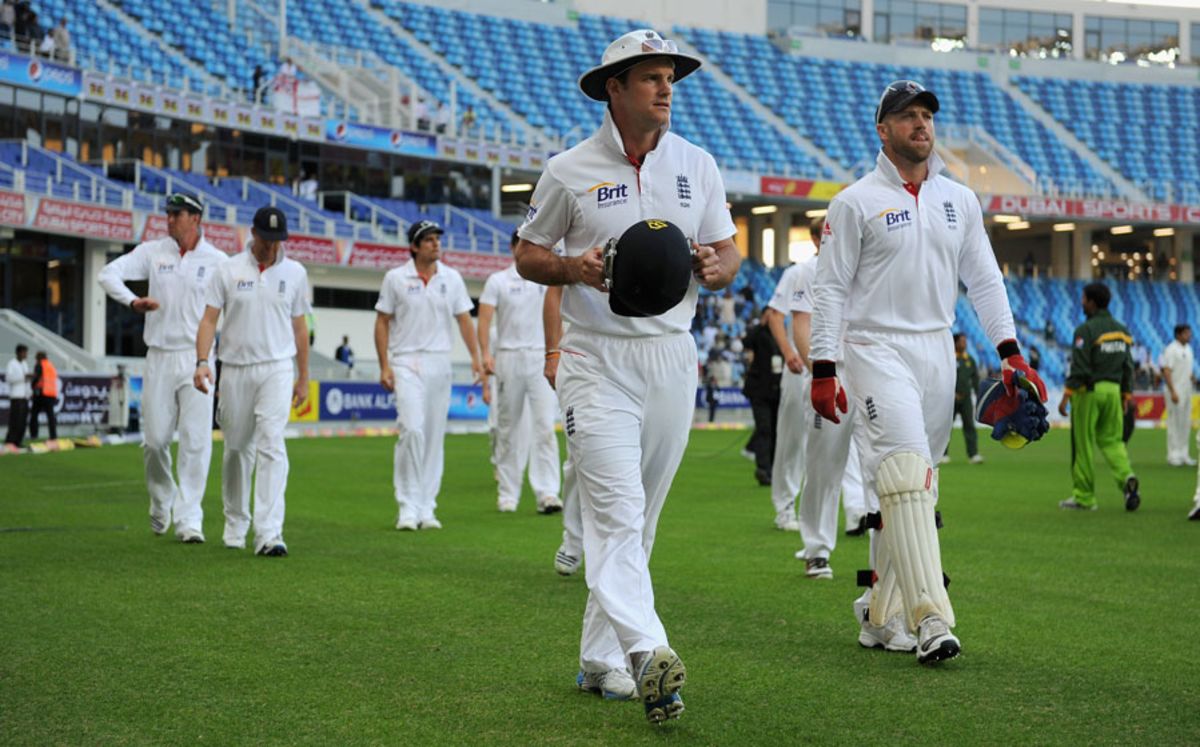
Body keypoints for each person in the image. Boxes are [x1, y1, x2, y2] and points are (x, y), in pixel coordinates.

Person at [514, 28, 739, 722]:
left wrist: (715, 265)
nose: (667, 88)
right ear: (614, 88)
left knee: (637, 523)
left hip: (672, 355)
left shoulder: (697, 165)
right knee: (614, 513)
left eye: (671, 76)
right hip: (595, 357)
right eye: (651, 77)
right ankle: (649, 656)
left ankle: (598, 659)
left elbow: (731, 252)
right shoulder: (569, 169)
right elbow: (526, 254)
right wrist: (571, 267)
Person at [810, 80, 1045, 665]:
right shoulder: (855, 201)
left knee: (912, 488)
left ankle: (878, 611)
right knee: (905, 473)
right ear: (882, 129)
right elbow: (831, 289)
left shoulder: (960, 200)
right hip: (873, 347)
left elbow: (985, 280)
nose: (921, 124)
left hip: (938, 351)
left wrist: (1010, 352)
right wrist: (824, 365)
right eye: (907, 116)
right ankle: (932, 616)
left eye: (926, 116)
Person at [99, 193, 227, 543]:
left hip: (198, 358)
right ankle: (161, 499)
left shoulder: (218, 261)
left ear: (196, 218)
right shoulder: (154, 252)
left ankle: (189, 519)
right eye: (168, 214)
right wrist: (132, 301)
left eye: (177, 214)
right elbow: (108, 274)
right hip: (158, 355)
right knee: (154, 441)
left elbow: (229, 310)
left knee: (196, 441)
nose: (169, 219)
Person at [194, 206, 309, 557]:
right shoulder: (227, 269)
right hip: (236, 368)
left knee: (272, 444)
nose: (273, 247)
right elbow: (209, 320)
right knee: (236, 448)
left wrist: (303, 377)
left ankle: (269, 533)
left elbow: (300, 327)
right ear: (254, 234)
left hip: (277, 366)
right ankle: (235, 523)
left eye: (278, 241)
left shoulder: (296, 272)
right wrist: (202, 361)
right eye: (267, 239)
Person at [375, 219, 482, 531]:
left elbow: (464, 320)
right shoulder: (395, 277)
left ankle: (426, 507)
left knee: (434, 437)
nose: (436, 243)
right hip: (406, 360)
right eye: (428, 240)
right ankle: (407, 506)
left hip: (439, 361)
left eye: (437, 239)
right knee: (412, 430)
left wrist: (475, 358)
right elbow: (382, 321)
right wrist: (384, 365)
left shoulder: (452, 278)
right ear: (414, 246)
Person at [788, 215, 869, 580]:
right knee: (824, 464)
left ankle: (889, 557)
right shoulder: (810, 271)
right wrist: (818, 369)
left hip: (870, 368)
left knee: (881, 462)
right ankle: (817, 549)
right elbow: (801, 322)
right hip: (830, 370)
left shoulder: (869, 264)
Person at [477, 232, 562, 514]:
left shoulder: (548, 279)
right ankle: (508, 493)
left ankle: (547, 492)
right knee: (508, 427)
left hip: (540, 355)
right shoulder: (498, 281)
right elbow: (485, 319)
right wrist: (485, 355)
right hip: (509, 357)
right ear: (514, 248)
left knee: (544, 427)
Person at [1057, 282, 1139, 512]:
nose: (1082, 303)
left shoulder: (1085, 330)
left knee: (1083, 445)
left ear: (1092, 302)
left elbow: (1080, 368)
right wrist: (1126, 394)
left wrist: (1066, 395)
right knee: (1113, 442)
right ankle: (1127, 478)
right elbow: (1128, 366)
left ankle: (1084, 498)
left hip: (1089, 392)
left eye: (1083, 299)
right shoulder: (1123, 330)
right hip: (1113, 392)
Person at [543, 283, 584, 577]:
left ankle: (626, 547)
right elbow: (555, 290)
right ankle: (573, 540)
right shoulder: (572, 239)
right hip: (584, 354)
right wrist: (553, 353)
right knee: (581, 455)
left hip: (649, 349)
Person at [741, 311, 781, 486]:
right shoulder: (759, 333)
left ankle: (773, 469)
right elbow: (746, 342)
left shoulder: (781, 333)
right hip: (759, 391)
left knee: (775, 430)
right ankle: (763, 469)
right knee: (764, 428)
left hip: (776, 389)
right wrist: (761, 324)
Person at [944, 333, 982, 464]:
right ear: (955, 343)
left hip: (966, 399)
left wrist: (979, 396)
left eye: (965, 341)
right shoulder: (948, 359)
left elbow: (975, 380)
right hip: (950, 398)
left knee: (969, 426)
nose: (964, 344)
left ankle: (973, 454)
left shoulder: (970, 360)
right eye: (961, 341)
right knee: (945, 427)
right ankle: (943, 454)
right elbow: (943, 378)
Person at [1160, 323, 1194, 466]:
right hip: (1175, 389)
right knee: (1174, 422)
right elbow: (1166, 371)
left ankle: (1184, 453)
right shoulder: (1171, 349)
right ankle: (1173, 454)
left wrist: (1191, 377)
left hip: (1187, 390)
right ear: (1178, 334)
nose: (1189, 335)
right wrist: (1173, 391)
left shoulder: (1188, 349)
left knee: (1185, 422)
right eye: (1186, 333)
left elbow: (1186, 369)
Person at [28, 351, 57, 440]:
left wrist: (32, 386)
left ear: (39, 358)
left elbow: (37, 378)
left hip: (41, 393)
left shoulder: (40, 365)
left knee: (34, 414)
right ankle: (53, 436)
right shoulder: (50, 365)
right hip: (51, 393)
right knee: (51, 416)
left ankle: (34, 435)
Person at [5, 344, 29, 447]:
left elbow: (26, 379)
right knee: (15, 420)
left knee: (23, 421)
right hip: (16, 396)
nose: (25, 354)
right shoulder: (11, 364)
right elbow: (9, 378)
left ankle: (18, 441)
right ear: (18, 352)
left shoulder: (25, 363)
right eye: (24, 352)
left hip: (24, 396)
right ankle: (10, 441)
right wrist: (23, 377)